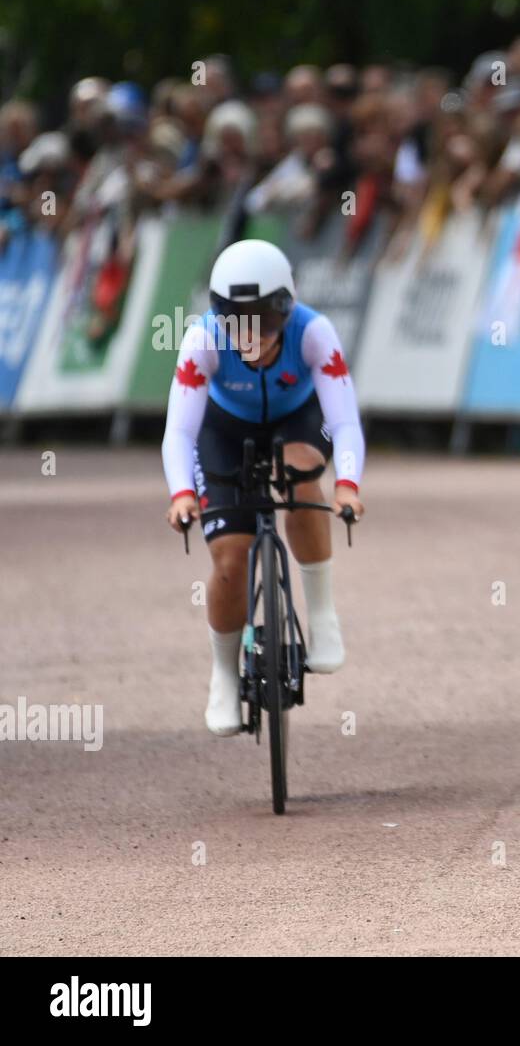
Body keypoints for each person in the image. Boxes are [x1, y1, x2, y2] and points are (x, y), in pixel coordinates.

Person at [161, 239, 365, 735]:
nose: (252, 337)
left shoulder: (315, 332)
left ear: (287, 311)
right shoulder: (201, 340)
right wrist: (182, 492)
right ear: (219, 317)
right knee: (231, 559)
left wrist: (347, 484)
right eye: (238, 323)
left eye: (266, 323)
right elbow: (181, 432)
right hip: (223, 432)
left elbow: (345, 421)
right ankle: (224, 675)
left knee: (300, 474)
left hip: (296, 421)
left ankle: (321, 615)